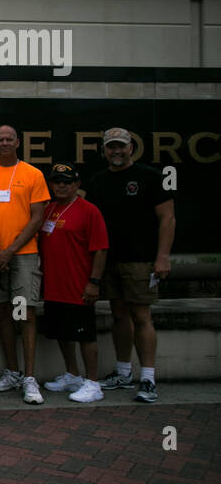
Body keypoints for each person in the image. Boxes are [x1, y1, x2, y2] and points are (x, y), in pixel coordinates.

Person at [84, 127, 176, 404]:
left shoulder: (150, 177)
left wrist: (162, 256)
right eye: (111, 147)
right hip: (110, 261)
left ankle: (147, 378)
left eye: (121, 146)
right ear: (104, 150)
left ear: (131, 148)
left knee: (141, 316)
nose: (116, 151)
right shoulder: (99, 181)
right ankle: (123, 372)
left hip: (141, 260)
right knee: (119, 315)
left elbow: (168, 219)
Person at [0, 124, 50, 404]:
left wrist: (10, 250)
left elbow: (37, 218)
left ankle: (30, 378)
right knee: (3, 311)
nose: (4, 143)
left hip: (23, 255)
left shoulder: (32, 174)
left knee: (25, 313)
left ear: (18, 142)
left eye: (9, 139)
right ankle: (12, 372)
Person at [37, 164, 110, 403]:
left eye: (66, 182)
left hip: (79, 287)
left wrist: (94, 282)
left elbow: (100, 250)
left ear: (76, 185)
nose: (61, 186)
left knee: (85, 335)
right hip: (54, 287)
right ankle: (73, 375)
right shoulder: (48, 210)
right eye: (57, 181)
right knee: (62, 333)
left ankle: (92, 383)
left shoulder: (89, 211)